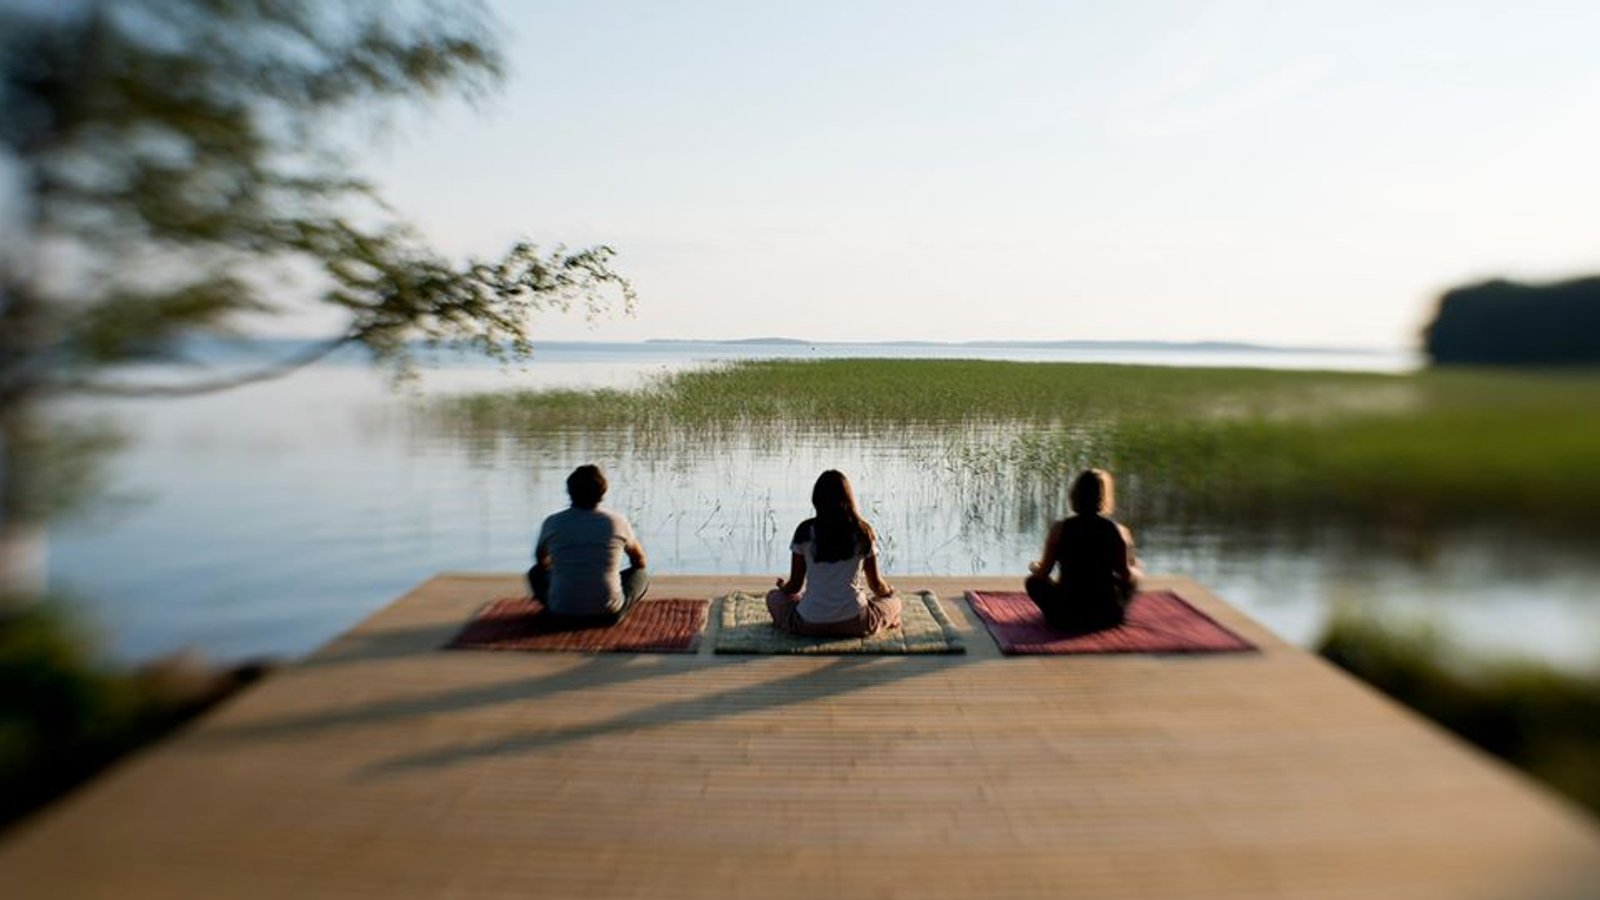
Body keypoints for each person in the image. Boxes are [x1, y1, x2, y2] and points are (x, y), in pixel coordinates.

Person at [767, 470, 902, 638]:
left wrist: (782, 587)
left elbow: (795, 585)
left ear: (816, 499)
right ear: (848, 499)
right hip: (856, 622)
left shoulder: (804, 531)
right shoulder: (862, 532)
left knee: (773, 597)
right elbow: (876, 586)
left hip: (809, 623)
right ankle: (889, 620)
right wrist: (889, 591)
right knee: (895, 602)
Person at [1025, 467, 1143, 633]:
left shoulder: (1060, 529)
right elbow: (1125, 575)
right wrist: (1137, 571)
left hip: (1065, 615)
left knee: (1032, 582)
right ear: (1105, 497)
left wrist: (1035, 567)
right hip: (1106, 616)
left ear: (1075, 495)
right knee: (1135, 570)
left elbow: (1043, 573)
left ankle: (1061, 612)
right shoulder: (1117, 531)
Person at [528, 464, 649, 624]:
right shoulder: (617, 521)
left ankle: (560, 603)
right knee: (641, 575)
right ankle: (609, 605)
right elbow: (639, 562)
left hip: (561, 612)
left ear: (570, 491)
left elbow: (541, 561)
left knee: (535, 573)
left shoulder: (553, 522)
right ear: (602, 492)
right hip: (607, 613)